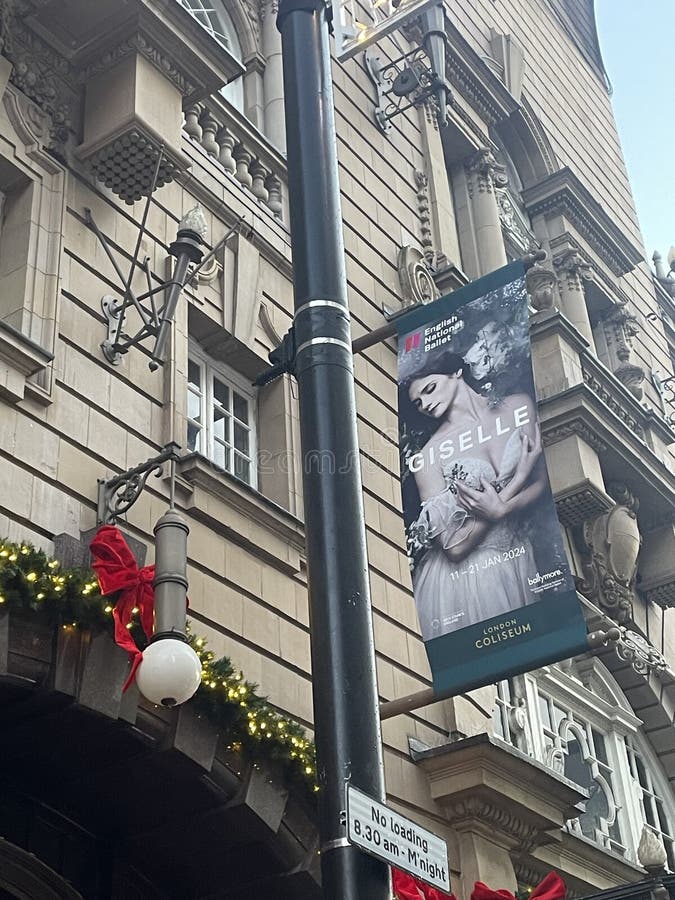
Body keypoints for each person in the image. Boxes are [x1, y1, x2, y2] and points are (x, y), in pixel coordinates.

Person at [401, 350, 545, 640]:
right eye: (418, 403)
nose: (426, 404)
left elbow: (542, 482)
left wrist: (502, 506)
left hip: (517, 556)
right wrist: (511, 490)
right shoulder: (429, 455)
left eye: (430, 389)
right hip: (470, 577)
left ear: (456, 372)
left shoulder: (518, 406)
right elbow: (453, 547)